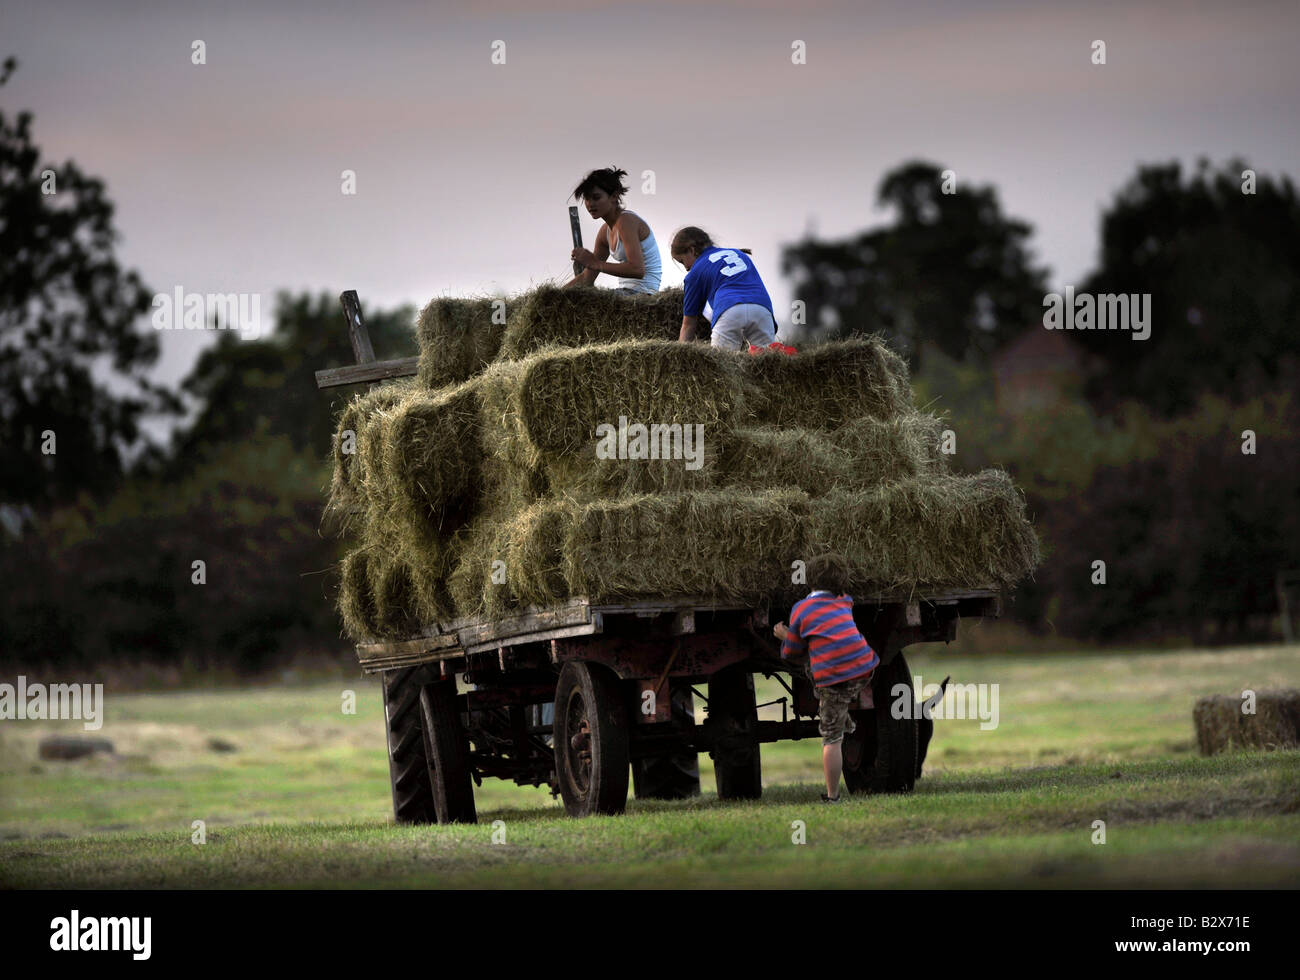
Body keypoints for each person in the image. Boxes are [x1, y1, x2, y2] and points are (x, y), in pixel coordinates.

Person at [772, 553, 879, 803]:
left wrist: (785, 635)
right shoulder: (845, 601)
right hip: (865, 667)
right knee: (831, 687)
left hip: (834, 677)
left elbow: (791, 652)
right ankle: (844, 720)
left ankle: (832, 797)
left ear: (808, 581)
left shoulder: (801, 609)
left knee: (831, 739)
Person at [671, 226, 778, 349]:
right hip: (762, 309)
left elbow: (688, 324)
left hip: (729, 309)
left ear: (692, 250)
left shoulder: (694, 273)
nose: (686, 268)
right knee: (766, 364)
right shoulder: (738, 254)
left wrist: (680, 355)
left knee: (723, 365)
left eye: (682, 261)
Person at [565, 167, 662, 294]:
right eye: (587, 199)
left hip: (643, 294)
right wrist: (553, 296)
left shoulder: (626, 221)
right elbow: (587, 278)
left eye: (596, 197)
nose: (590, 204)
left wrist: (594, 262)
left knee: (595, 304)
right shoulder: (604, 232)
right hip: (624, 293)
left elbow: (637, 269)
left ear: (614, 196)